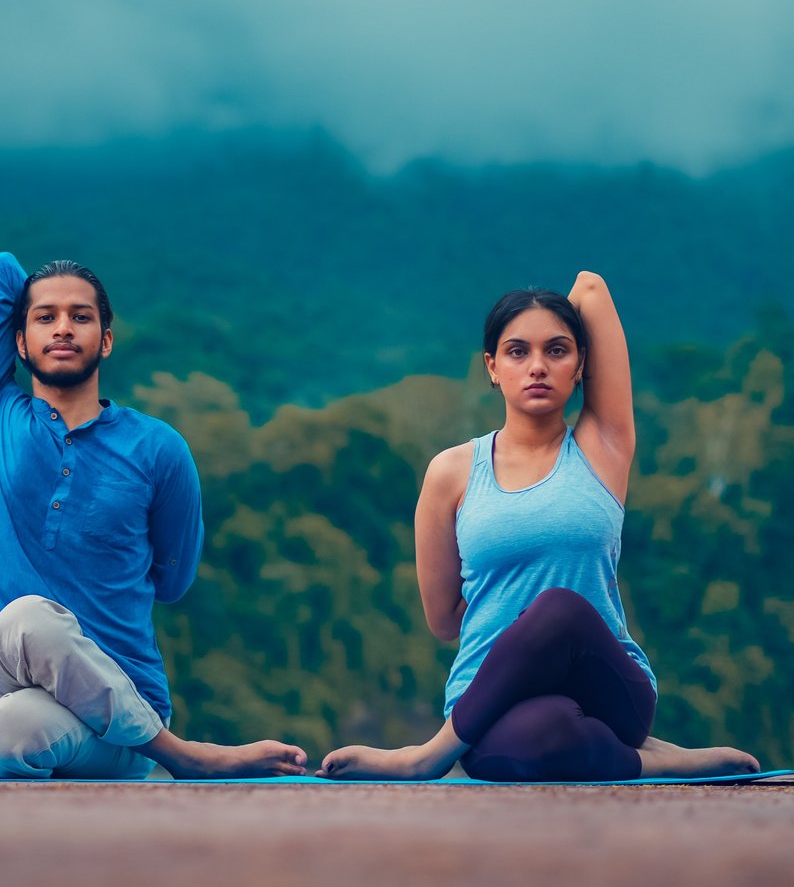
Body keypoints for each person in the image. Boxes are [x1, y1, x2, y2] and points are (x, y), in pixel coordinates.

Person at [0, 253, 307, 779]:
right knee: (28, 620)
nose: (64, 328)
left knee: (8, 739)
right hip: (3, 677)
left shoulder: (158, 449)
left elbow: (173, 580)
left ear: (107, 339)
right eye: (45, 317)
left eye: (82, 316)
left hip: (123, 721)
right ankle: (185, 756)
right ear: (18, 342)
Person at [318, 271, 760, 782]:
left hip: (609, 690)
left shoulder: (603, 448)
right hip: (490, 709)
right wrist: (523, 647)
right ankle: (655, 759)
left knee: (559, 608)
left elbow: (591, 288)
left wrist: (546, 310)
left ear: (581, 366)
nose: (537, 367)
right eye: (517, 352)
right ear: (492, 367)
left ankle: (428, 755)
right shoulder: (451, 473)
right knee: (545, 739)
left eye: (556, 350)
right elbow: (444, 621)